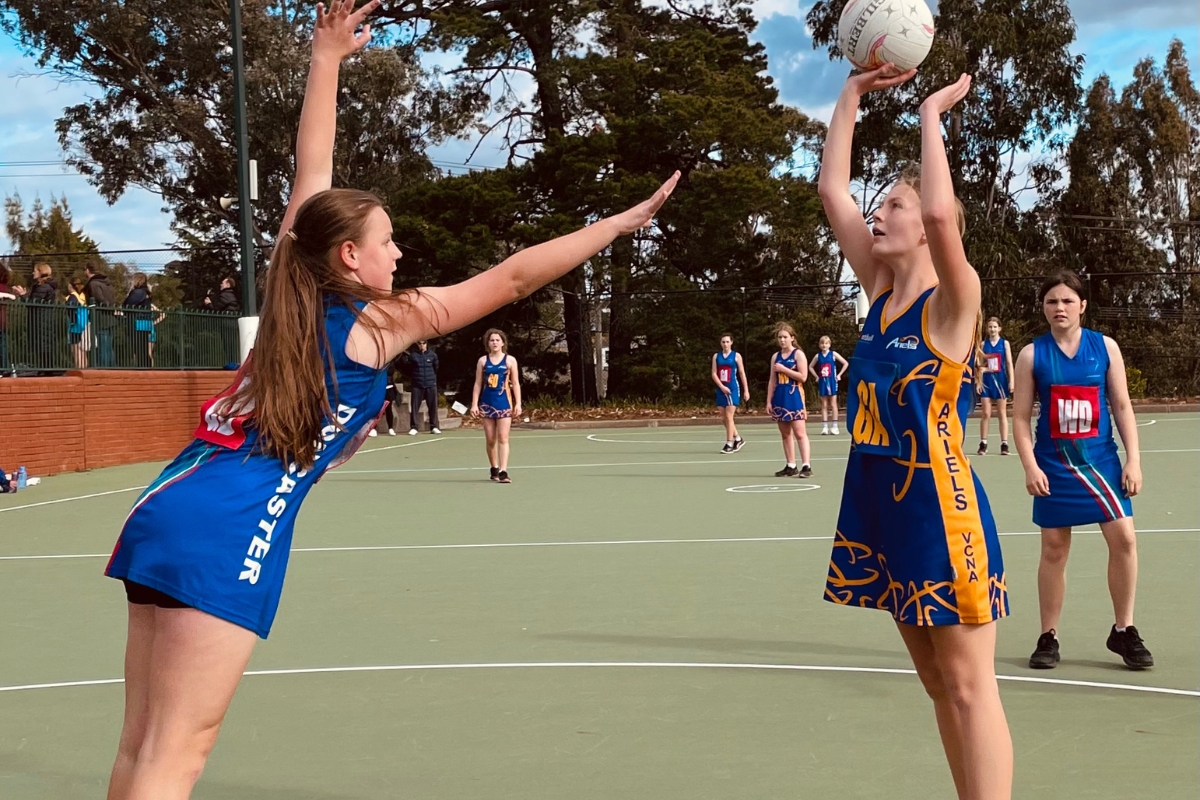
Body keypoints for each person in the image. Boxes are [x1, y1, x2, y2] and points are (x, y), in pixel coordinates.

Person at [101, 3, 678, 797]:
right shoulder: (375, 326)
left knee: (140, 748)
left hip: (170, 501)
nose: (399, 251)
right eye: (387, 240)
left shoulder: (289, 290)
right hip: (229, 523)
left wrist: (328, 59)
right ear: (349, 254)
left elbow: (311, 174)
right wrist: (614, 226)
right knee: (178, 754)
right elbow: (512, 277)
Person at [819, 65, 1012, 800]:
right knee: (936, 684)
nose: (880, 212)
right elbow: (831, 190)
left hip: (940, 512)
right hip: (880, 505)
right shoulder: (878, 292)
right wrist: (851, 97)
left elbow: (941, 217)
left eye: (892, 203)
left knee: (969, 687)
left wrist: (931, 113)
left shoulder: (953, 306)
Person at [1012, 270, 1152, 672]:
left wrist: (1134, 459)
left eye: (1067, 301)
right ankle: (1048, 635)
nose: (1059, 308)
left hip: (1101, 463)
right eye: (1052, 301)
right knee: (1054, 549)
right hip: (1054, 465)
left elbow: (1122, 406)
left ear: (1082, 306)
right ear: (1043, 307)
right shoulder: (1031, 355)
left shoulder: (1104, 348)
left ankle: (1124, 629)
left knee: (1124, 539)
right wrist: (1030, 465)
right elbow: (1020, 418)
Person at [471, 329, 521, 483]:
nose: (495, 343)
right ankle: (494, 467)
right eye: (492, 340)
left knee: (503, 437)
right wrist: (474, 404)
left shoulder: (510, 361)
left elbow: (516, 384)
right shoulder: (482, 361)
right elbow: (478, 383)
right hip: (487, 403)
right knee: (491, 439)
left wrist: (518, 403)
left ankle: (503, 471)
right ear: (488, 343)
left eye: (497, 340)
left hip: (504, 403)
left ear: (503, 343)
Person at [765, 322, 811, 478]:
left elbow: (803, 377)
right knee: (785, 433)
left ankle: (806, 465)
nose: (782, 340)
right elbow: (772, 380)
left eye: (785, 337)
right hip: (780, 396)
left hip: (794, 396)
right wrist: (769, 401)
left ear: (792, 338)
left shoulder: (798, 355)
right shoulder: (775, 357)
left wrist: (784, 369)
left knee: (800, 432)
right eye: (780, 337)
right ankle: (791, 465)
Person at [977, 316, 1014, 455]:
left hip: (1001, 381)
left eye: (994, 327)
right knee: (986, 413)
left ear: (999, 328)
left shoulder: (1005, 344)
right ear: (987, 329)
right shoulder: (982, 345)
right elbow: (979, 365)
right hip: (986, 382)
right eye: (990, 327)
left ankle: (1004, 444)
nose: (992, 329)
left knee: (1001, 413)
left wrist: (1012, 381)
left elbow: (1009, 363)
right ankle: (983, 443)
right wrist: (978, 381)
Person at [13, 263, 59, 370]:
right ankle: (45, 369)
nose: (33, 272)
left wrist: (22, 295)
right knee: (44, 348)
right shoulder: (44, 287)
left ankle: (46, 370)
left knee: (43, 349)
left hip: (41, 321)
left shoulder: (43, 287)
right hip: (42, 320)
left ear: (41, 272)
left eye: (35, 270)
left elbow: (34, 303)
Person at [712, 333, 749, 453]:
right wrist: (721, 386)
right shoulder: (716, 356)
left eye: (727, 342)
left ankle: (729, 443)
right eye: (723, 342)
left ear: (731, 342)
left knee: (729, 416)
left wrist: (746, 390)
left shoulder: (736, 356)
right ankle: (738, 438)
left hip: (732, 388)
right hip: (721, 388)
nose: (725, 344)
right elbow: (713, 373)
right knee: (724, 418)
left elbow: (742, 373)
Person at [809, 335, 848, 436]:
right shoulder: (818, 356)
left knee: (833, 404)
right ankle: (825, 427)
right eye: (822, 343)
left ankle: (835, 426)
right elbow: (810, 366)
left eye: (826, 343)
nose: (824, 345)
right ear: (819, 345)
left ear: (829, 344)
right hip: (823, 382)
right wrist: (816, 376)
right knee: (824, 405)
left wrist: (839, 375)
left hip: (832, 382)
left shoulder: (833, 354)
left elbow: (845, 363)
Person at [403, 339, 441, 435]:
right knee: (415, 407)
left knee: (433, 406)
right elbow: (409, 369)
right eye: (420, 343)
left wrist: (431, 380)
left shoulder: (432, 355)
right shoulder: (413, 356)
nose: (422, 345)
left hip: (430, 384)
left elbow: (436, 368)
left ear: (426, 344)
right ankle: (414, 427)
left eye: (424, 343)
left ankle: (434, 426)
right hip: (417, 385)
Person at [84, 261, 117, 367]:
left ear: (88, 270)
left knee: (103, 346)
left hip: (100, 317)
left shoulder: (93, 284)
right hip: (110, 317)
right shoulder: (106, 283)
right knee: (108, 346)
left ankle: (104, 369)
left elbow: (99, 299)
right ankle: (112, 368)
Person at [123, 273, 154, 369]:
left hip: (138, 322)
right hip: (145, 322)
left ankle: (143, 367)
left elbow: (127, 304)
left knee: (139, 348)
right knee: (143, 348)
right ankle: (145, 366)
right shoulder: (146, 292)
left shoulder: (138, 292)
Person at [66, 276, 91, 369]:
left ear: (70, 286)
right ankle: (85, 369)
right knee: (83, 351)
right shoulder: (83, 296)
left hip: (75, 327)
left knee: (76, 350)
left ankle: (79, 369)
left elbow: (71, 310)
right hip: (84, 325)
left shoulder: (72, 297)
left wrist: (72, 321)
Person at [0, 263, 14, 374]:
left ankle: (4, 367)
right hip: (3, 320)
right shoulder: (4, 286)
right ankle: (5, 367)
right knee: (3, 343)